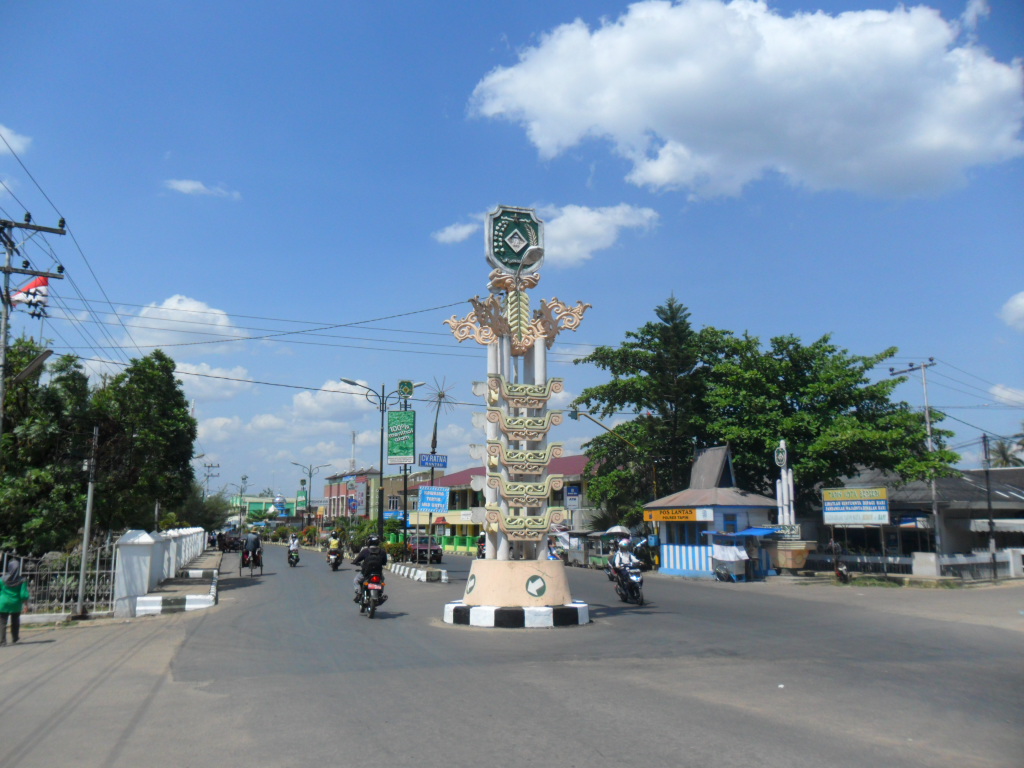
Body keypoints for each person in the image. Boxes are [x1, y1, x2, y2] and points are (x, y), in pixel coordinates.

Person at [0, 559, 30, 646]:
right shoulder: (22, 580)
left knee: (2, 622)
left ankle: (2, 641)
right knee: (15, 621)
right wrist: (26, 604)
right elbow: (23, 595)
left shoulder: (2, 580)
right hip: (16, 604)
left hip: (3, 603)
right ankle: (15, 638)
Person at [351, 535, 388, 602]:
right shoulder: (382, 552)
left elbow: (357, 559)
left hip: (366, 573)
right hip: (378, 573)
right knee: (382, 581)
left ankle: (359, 594)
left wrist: (354, 562)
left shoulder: (365, 551)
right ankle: (380, 593)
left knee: (356, 580)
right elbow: (384, 562)